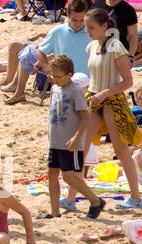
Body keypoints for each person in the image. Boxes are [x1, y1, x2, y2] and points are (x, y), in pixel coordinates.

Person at [75, 7, 142, 209]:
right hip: (94, 100)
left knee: (121, 150)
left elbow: (128, 81)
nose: (88, 31)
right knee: (82, 146)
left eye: (91, 27)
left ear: (105, 26)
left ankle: (136, 197)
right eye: (86, 27)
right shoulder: (91, 46)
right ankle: (71, 198)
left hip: (111, 102)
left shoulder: (116, 47)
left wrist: (104, 94)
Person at [41, 55, 104, 219]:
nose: (55, 80)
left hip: (70, 142)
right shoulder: (55, 89)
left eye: (59, 76)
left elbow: (85, 117)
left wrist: (77, 137)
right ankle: (55, 212)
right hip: (55, 141)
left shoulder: (75, 91)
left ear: (69, 75)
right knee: (52, 174)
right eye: (53, 76)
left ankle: (95, 200)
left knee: (69, 176)